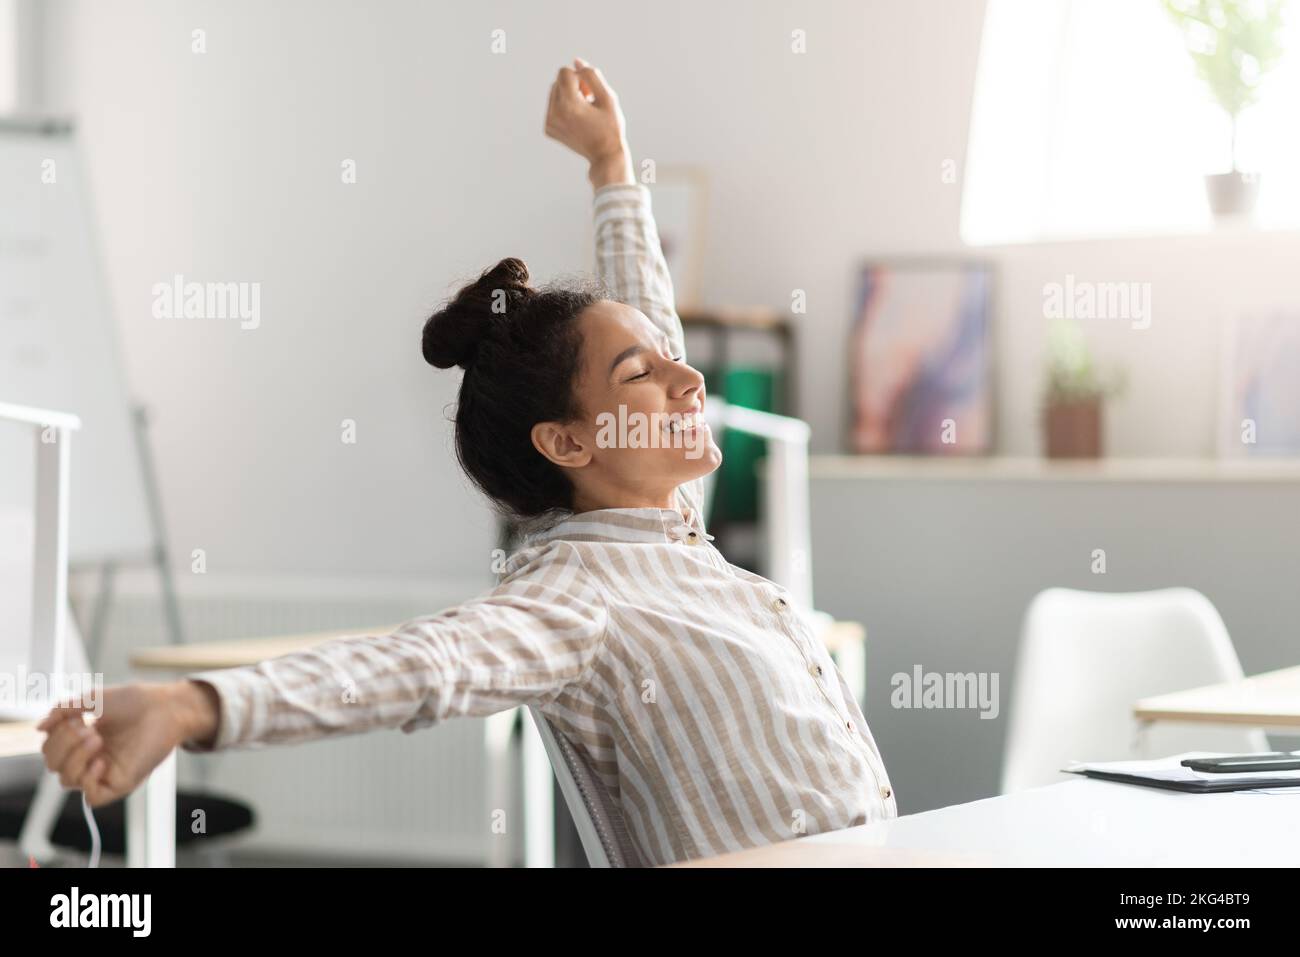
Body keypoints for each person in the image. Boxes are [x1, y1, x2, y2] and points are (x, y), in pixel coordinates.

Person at [40, 58, 896, 866]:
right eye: (640, 375)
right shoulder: (578, 596)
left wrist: (611, 165)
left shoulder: (667, 525)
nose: (690, 378)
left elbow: (650, 320)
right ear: (567, 442)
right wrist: (192, 705)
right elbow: (419, 666)